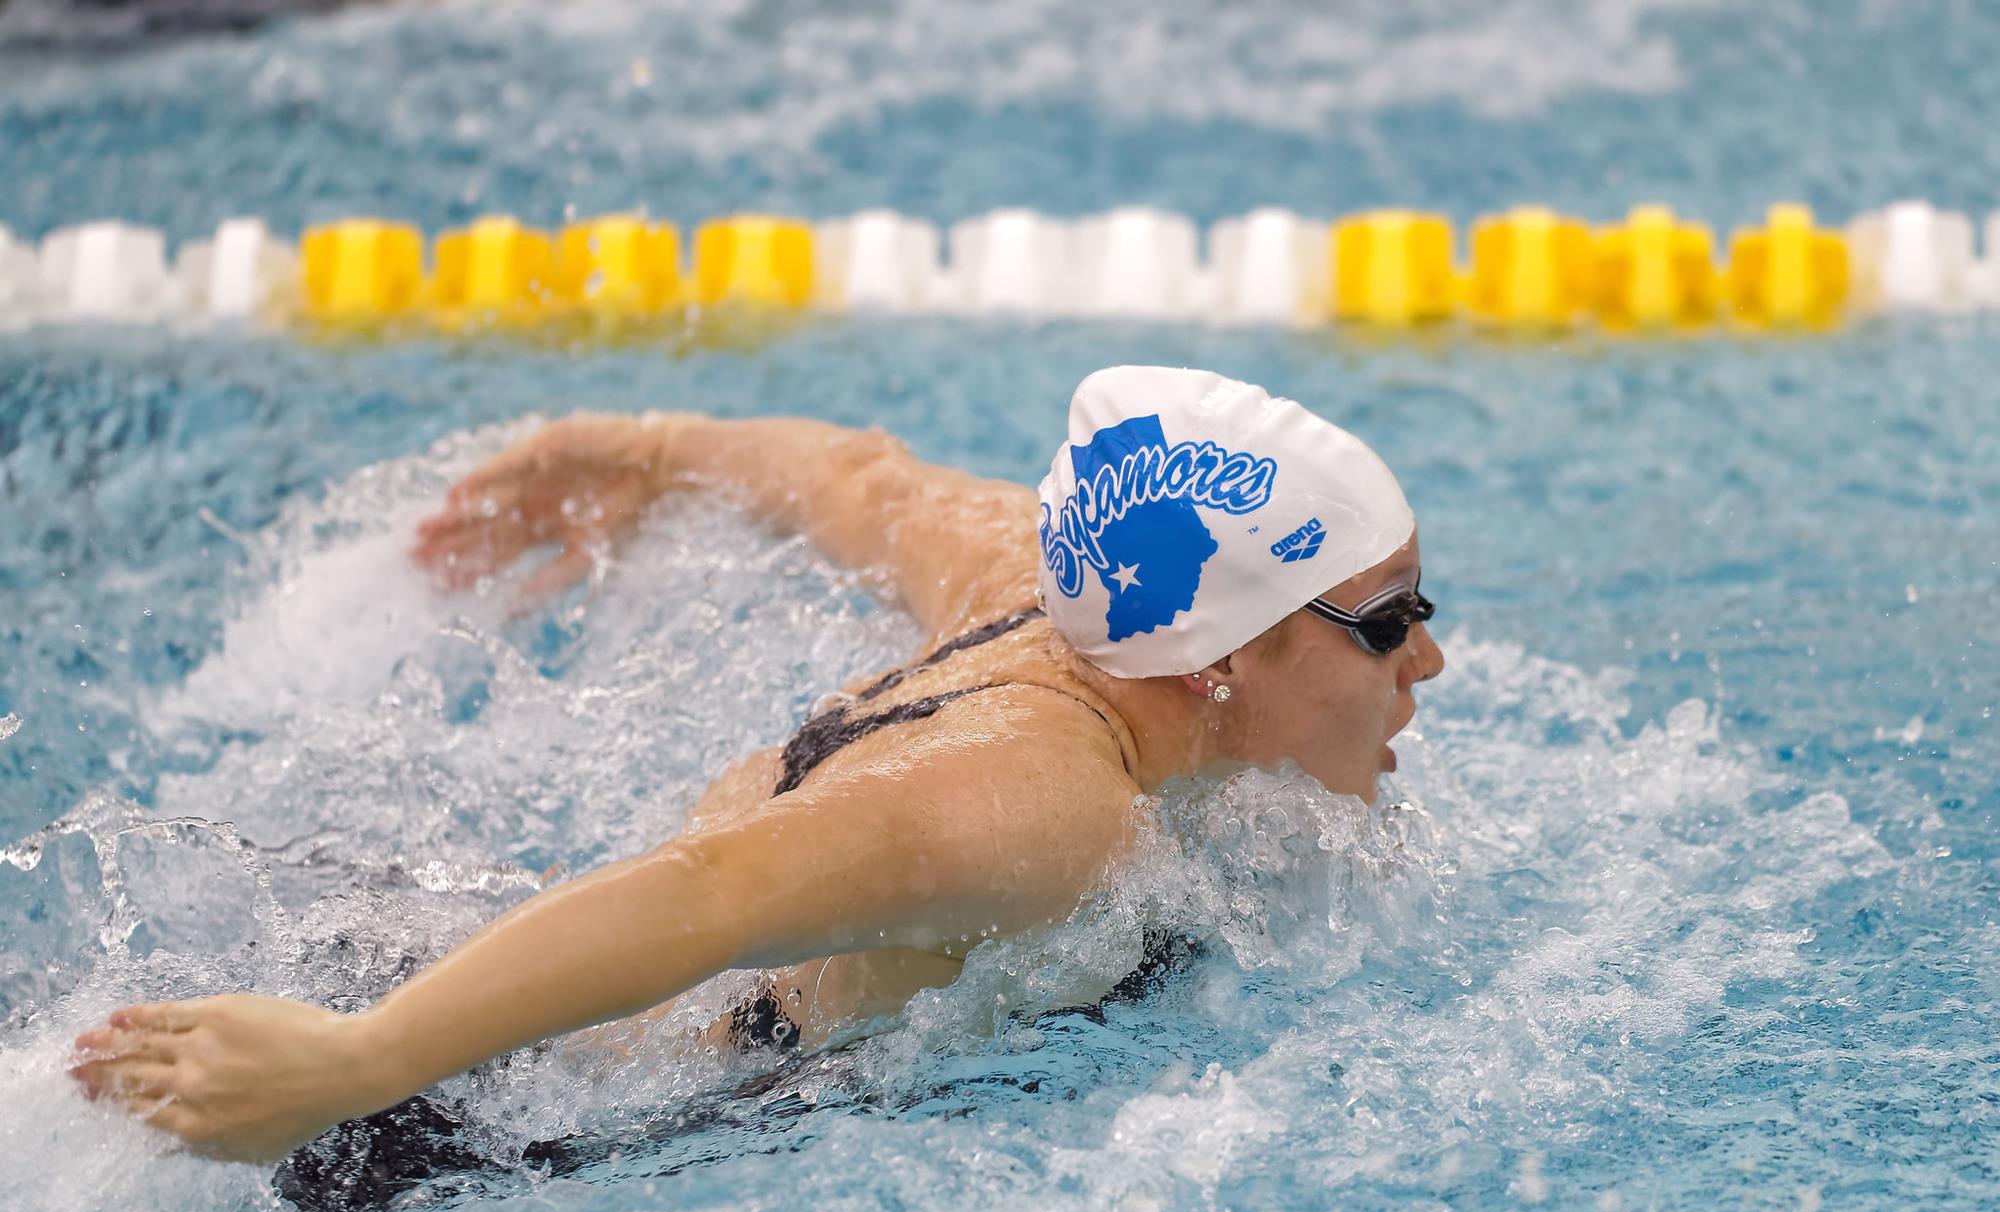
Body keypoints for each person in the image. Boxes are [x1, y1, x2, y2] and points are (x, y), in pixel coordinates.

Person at [68, 365, 1444, 1164]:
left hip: (442, 948)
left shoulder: (1042, 589)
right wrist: (353, 1063)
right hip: (457, 1111)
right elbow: (709, 891)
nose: (1427, 661)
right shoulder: (1049, 805)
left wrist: (658, 452)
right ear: (1221, 654)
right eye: (1389, 621)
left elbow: (858, 477)